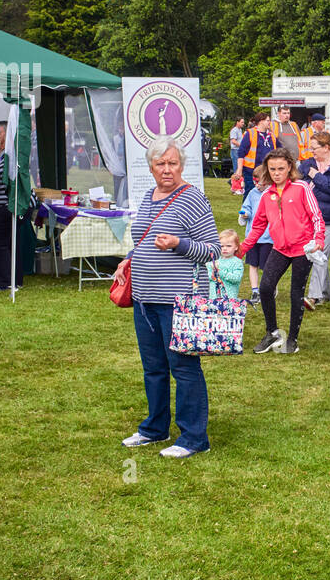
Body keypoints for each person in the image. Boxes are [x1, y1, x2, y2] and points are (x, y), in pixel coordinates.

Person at [114, 137, 220, 459]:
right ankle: (155, 428)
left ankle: (193, 438)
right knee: (153, 367)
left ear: (182, 165)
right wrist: (130, 257)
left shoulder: (193, 199)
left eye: (172, 163)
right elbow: (144, 238)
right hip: (144, 299)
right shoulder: (148, 197)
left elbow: (213, 249)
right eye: (161, 164)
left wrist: (179, 243)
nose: (167, 170)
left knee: (184, 368)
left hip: (179, 300)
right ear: (151, 167)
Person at [237, 149, 325, 355]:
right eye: (272, 169)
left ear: (290, 168)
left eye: (281, 169)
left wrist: (318, 238)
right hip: (280, 248)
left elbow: (316, 216)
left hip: (303, 249)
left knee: (296, 293)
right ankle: (272, 332)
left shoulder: (301, 188)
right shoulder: (267, 195)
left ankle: (292, 339)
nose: (277, 173)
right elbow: (257, 226)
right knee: (266, 287)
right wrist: (242, 249)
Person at [298, 130, 330, 308]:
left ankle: (313, 297)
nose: (311, 152)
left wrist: (316, 177)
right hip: (308, 217)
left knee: (319, 255)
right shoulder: (307, 164)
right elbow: (298, 185)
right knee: (318, 255)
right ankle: (325, 293)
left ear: (326, 147)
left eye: (314, 148)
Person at [0, 120, 25, 292]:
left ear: (7, 134)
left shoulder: (10, 154)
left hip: (6, 205)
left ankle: (5, 282)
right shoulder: (0, 153)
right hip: (0, 204)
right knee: (9, 242)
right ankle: (15, 280)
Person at [238, 163, 273, 305]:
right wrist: (245, 214)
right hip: (252, 237)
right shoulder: (252, 194)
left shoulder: (272, 194)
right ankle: (255, 290)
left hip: (268, 237)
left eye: (260, 183)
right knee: (252, 264)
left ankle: (269, 288)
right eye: (255, 183)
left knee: (266, 266)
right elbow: (246, 208)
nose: (257, 186)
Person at [236, 112, 276, 195]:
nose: (270, 123)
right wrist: (239, 169)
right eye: (267, 120)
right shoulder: (250, 133)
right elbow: (241, 153)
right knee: (250, 193)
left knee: (267, 194)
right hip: (251, 171)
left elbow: (280, 150)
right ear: (261, 121)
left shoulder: (271, 135)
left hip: (267, 170)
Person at [207, 229, 245, 299]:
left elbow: (236, 278)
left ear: (236, 247)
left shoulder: (237, 262)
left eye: (228, 246)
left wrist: (220, 271)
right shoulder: (215, 260)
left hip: (229, 298)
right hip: (213, 297)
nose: (225, 249)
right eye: (222, 246)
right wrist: (212, 274)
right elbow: (208, 275)